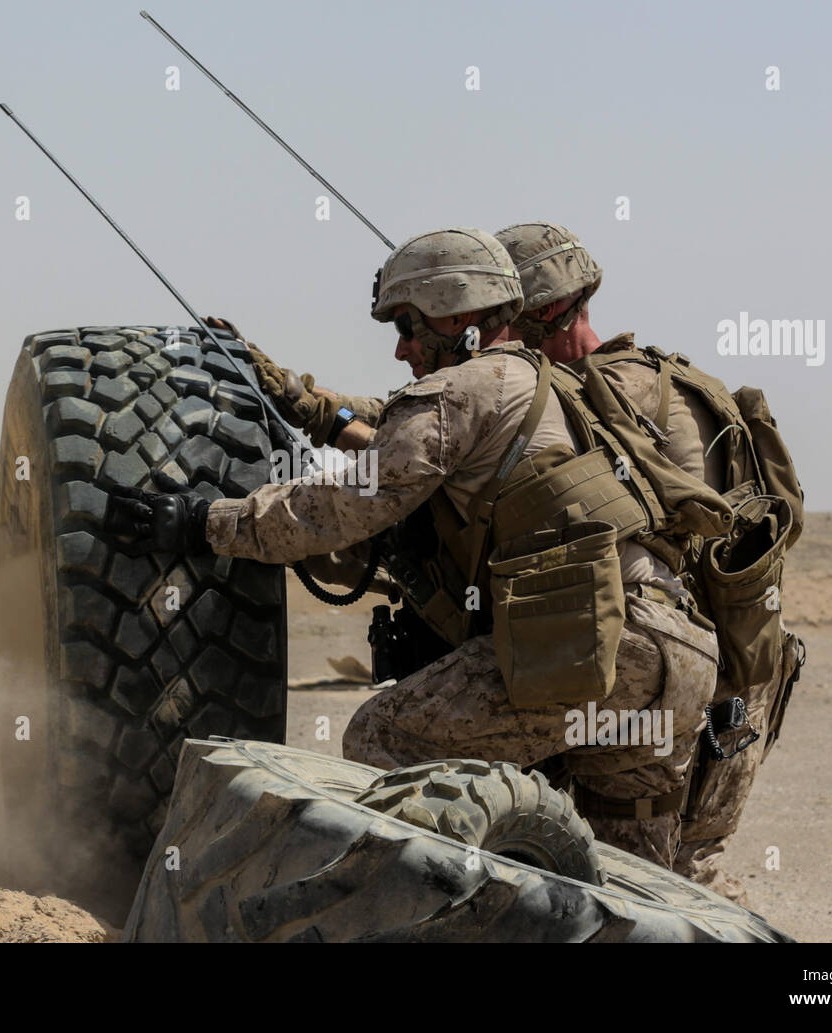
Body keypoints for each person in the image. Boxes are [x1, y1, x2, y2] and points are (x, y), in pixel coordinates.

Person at [110, 227, 727, 869]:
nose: (403, 349)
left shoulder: (463, 390)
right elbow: (389, 429)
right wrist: (300, 399)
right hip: (676, 657)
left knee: (385, 737)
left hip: (595, 645)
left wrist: (206, 522)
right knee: (631, 875)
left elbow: (343, 507)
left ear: (458, 314)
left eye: (407, 325)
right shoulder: (559, 388)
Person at [495, 222, 806, 904]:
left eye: (501, 321)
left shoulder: (583, 400)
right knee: (689, 884)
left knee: (637, 896)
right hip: (749, 680)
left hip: (676, 689)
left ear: (540, 314)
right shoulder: (691, 382)